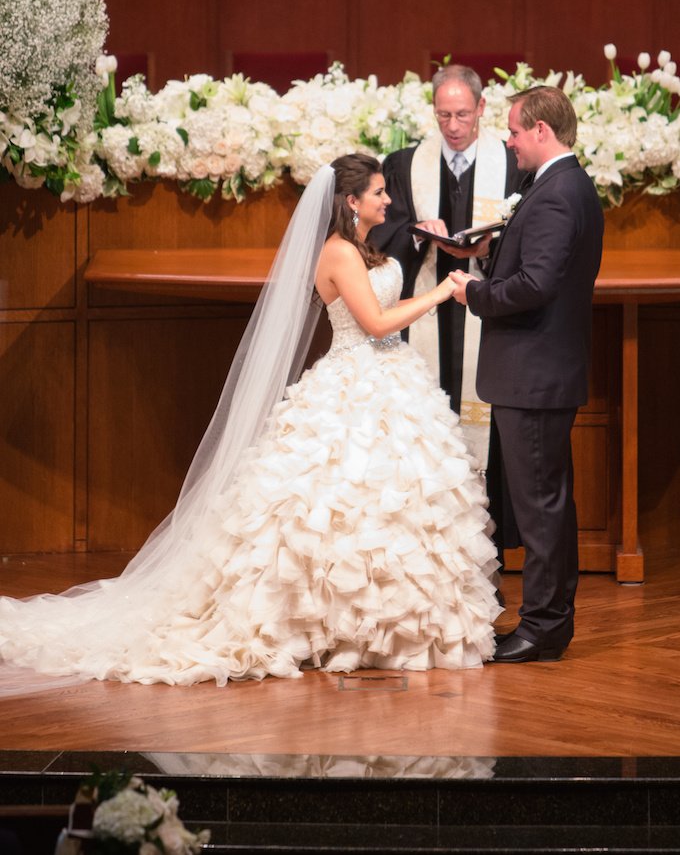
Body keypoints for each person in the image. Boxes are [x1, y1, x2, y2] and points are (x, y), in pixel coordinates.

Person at [0, 154, 499, 689]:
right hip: (358, 378)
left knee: (390, 507)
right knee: (335, 505)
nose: (388, 202)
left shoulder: (365, 249)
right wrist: (444, 293)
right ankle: (327, 622)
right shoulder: (337, 253)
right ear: (352, 202)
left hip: (392, 381)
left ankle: (378, 627)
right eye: (379, 193)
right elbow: (375, 324)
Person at [450, 87, 603, 664]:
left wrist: (477, 292)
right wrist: (493, 252)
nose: (508, 142)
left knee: (540, 507)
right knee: (548, 505)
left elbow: (537, 285)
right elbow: (543, 269)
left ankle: (543, 626)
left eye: (514, 131)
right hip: (541, 372)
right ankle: (549, 619)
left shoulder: (557, 194)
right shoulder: (561, 186)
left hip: (535, 375)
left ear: (542, 131)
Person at [372, 64, 525, 488]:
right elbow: (383, 233)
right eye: (444, 115)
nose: (453, 126)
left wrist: (489, 246)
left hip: (487, 308)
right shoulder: (405, 166)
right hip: (427, 308)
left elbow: (528, 235)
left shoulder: (511, 164)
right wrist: (419, 236)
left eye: (462, 114)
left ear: (481, 108)